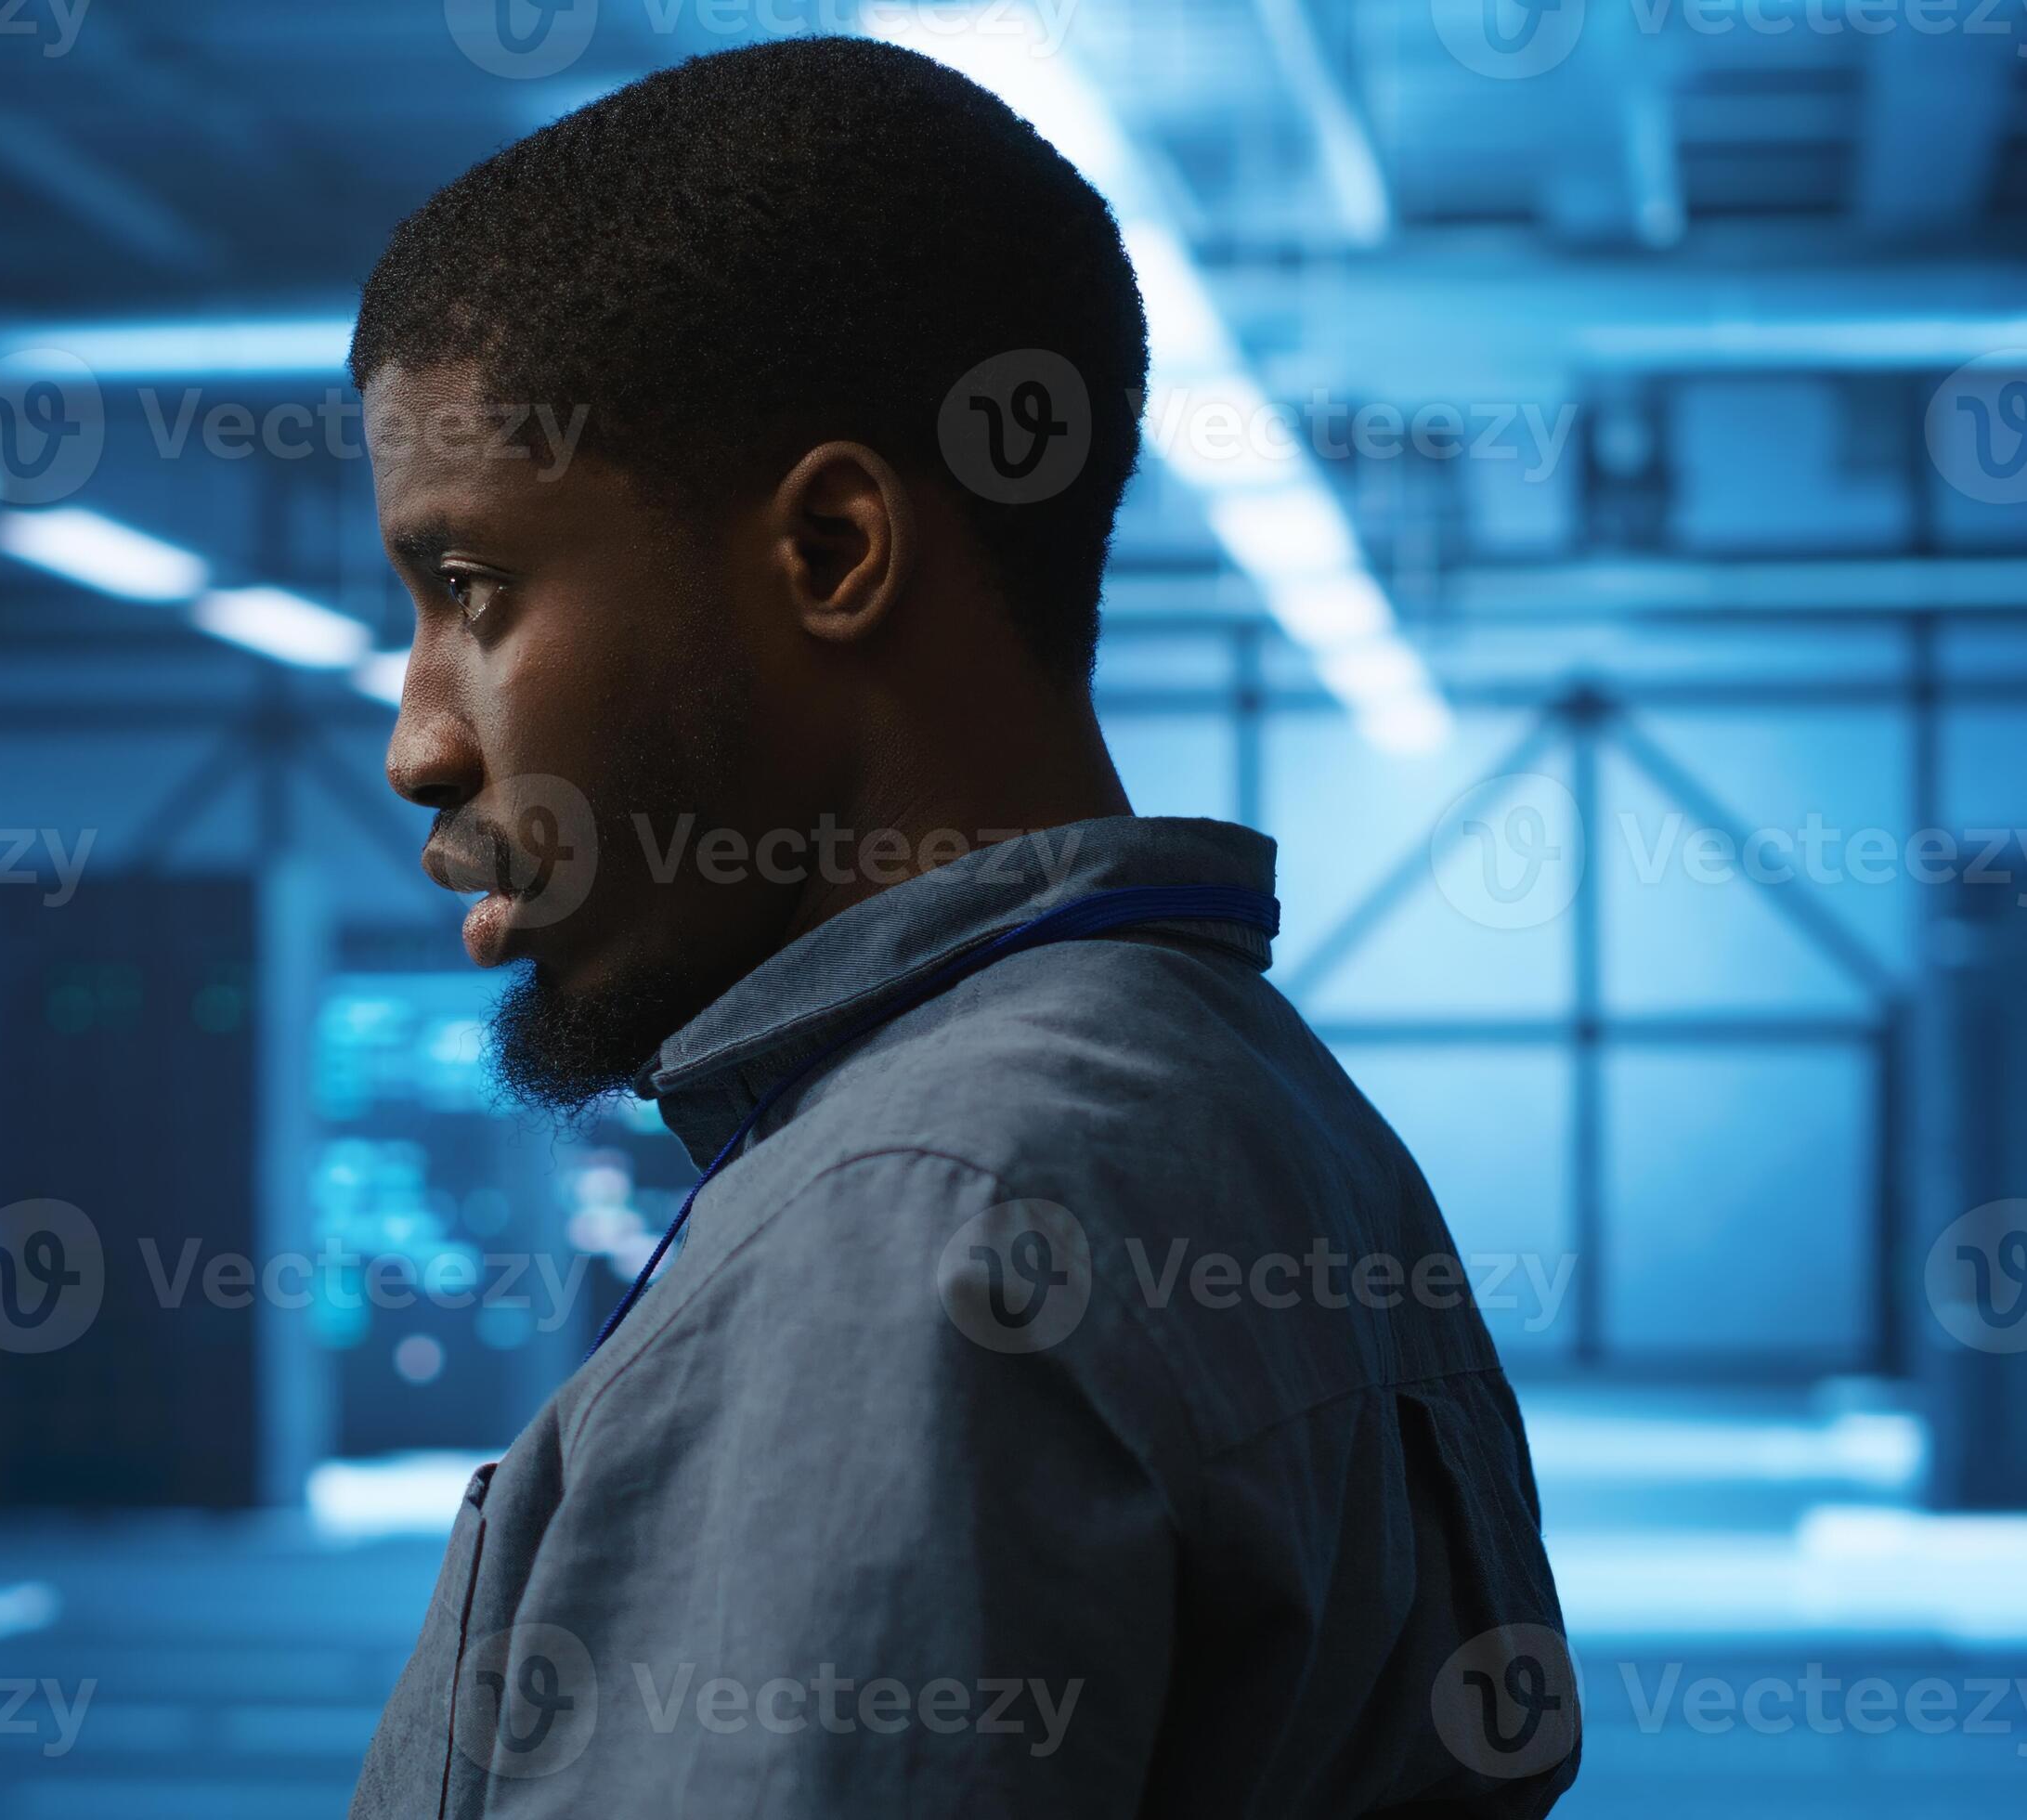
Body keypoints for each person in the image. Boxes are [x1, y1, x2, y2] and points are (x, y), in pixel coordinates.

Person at [342, 33, 1578, 1818]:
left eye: (471, 590)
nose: (417, 741)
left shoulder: (910, 1222)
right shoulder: (1253, 1111)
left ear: (834, 550)